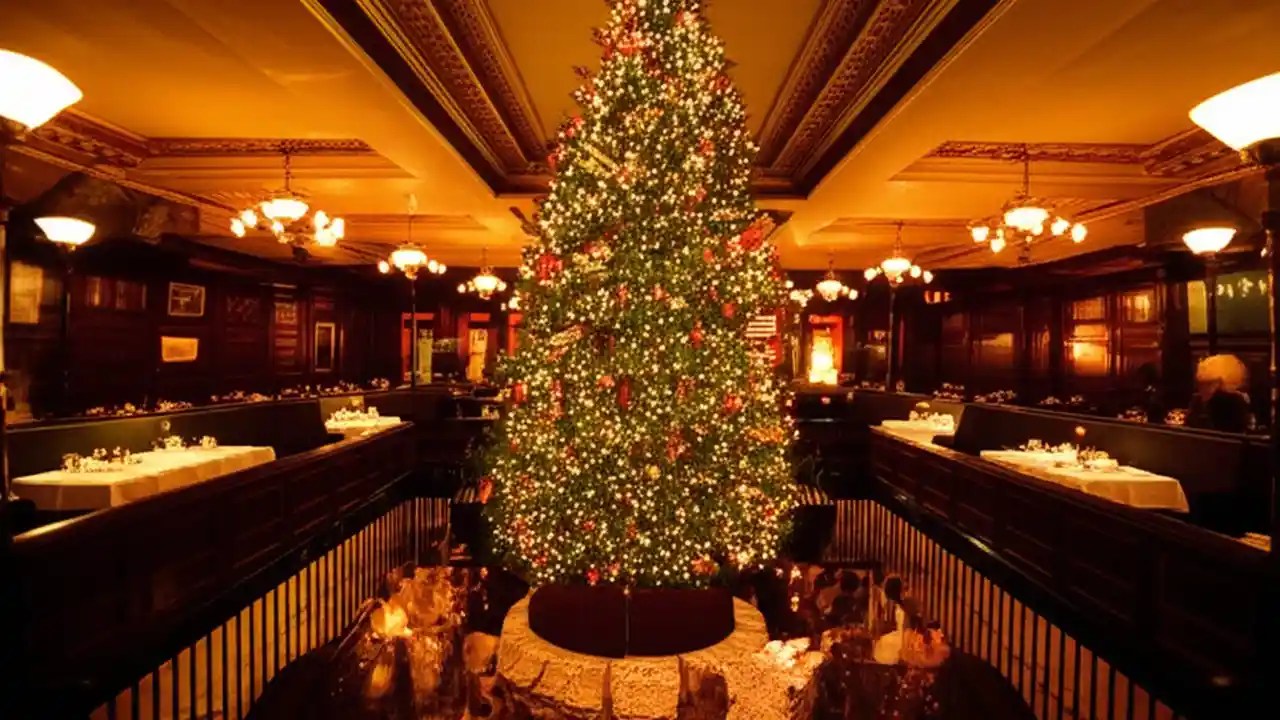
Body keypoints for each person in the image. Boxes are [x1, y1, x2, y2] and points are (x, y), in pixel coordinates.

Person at [1187, 354, 1252, 432]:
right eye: (1201, 383)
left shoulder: (1231, 402)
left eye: (1209, 383)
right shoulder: (1197, 402)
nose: (1201, 388)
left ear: (1219, 383)